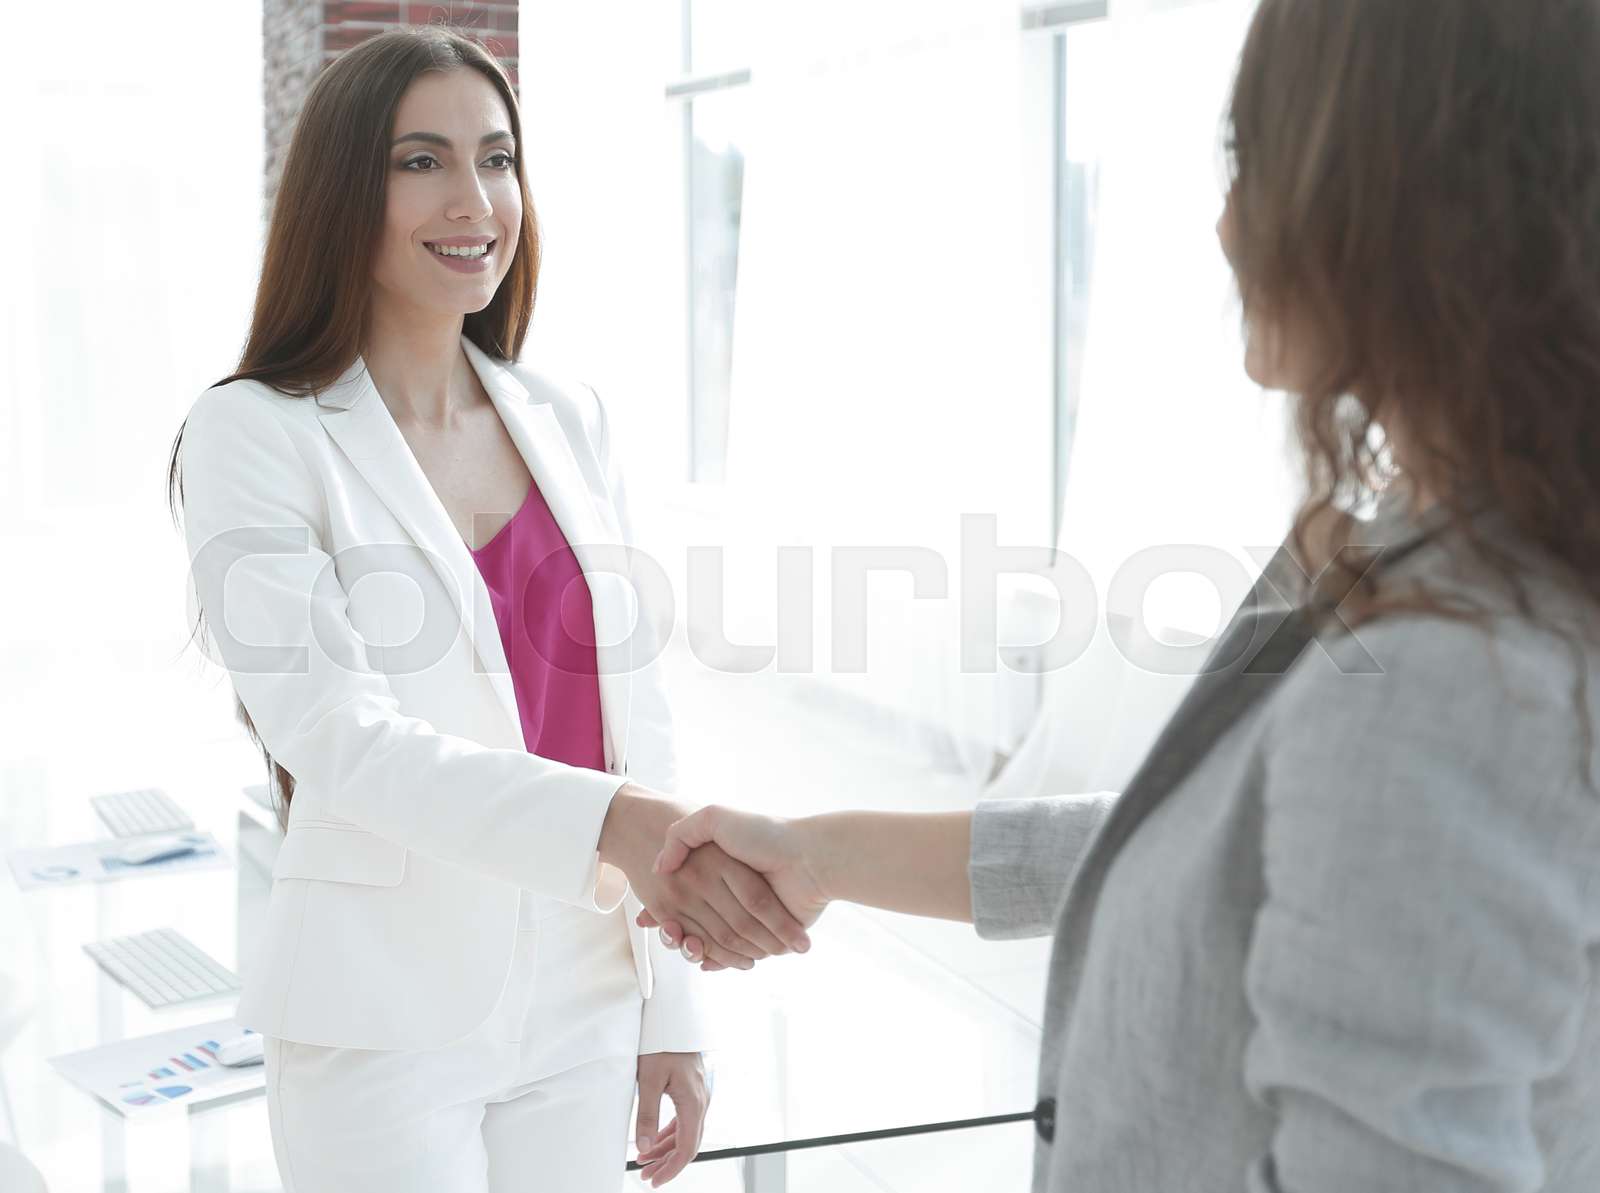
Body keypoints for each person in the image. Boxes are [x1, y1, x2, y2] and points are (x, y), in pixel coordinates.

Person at [639, 1, 1600, 1189]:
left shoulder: (1444, 669)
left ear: (1394, 198)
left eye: (1250, 159)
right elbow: (1196, 836)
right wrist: (819, 850)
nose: (1224, 221)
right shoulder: (1419, 549)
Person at [168, 27, 808, 1193]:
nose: (474, 199)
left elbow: (636, 710)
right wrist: (612, 822)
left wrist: (672, 1005)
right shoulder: (252, 434)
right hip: (385, 1007)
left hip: (586, 978)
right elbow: (340, 736)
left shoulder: (565, 415)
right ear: (340, 192)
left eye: (497, 158)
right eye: (421, 161)